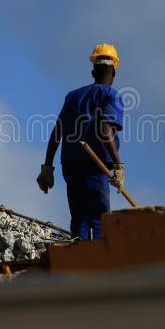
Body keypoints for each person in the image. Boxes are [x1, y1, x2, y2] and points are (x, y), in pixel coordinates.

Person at [36, 44, 125, 240]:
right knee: (99, 219)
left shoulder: (73, 96)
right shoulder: (111, 95)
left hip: (70, 165)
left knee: (79, 219)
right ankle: (98, 263)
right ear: (113, 71)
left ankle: (79, 258)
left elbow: (56, 132)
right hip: (96, 165)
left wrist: (47, 167)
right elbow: (105, 129)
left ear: (93, 71)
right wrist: (118, 164)